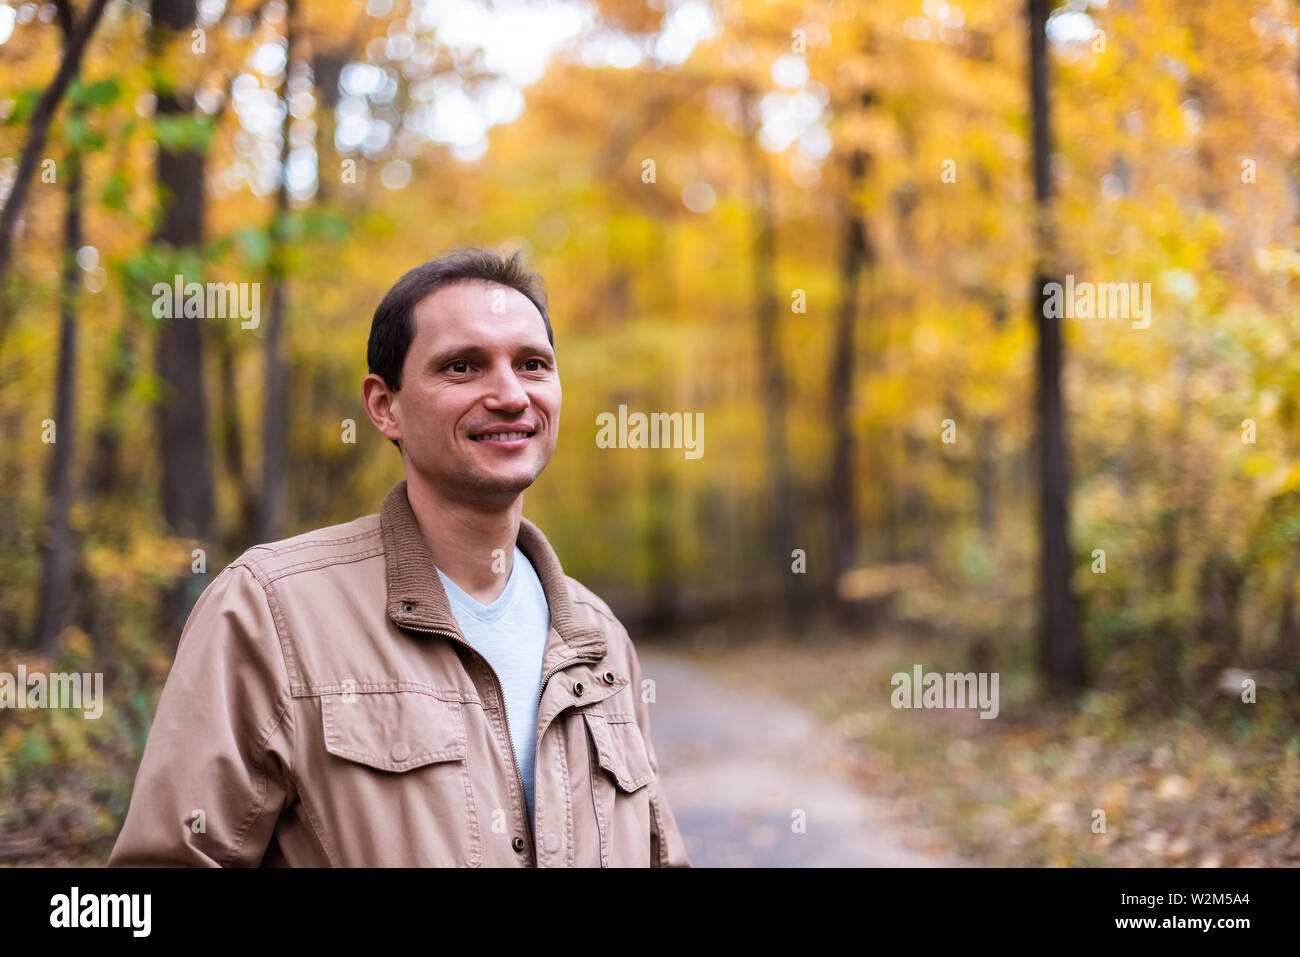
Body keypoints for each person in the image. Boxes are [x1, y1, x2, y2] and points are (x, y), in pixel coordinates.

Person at [108, 248, 691, 867]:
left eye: (532, 364)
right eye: (463, 367)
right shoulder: (269, 612)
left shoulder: (599, 639)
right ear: (385, 406)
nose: (510, 395)